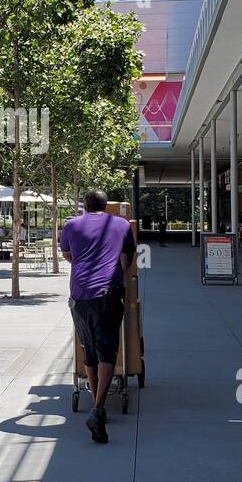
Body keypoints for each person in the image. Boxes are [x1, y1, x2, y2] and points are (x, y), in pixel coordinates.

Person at [60, 189, 136, 444]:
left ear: (84, 205)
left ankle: (96, 404)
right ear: (106, 206)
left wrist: (84, 264)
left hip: (80, 296)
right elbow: (127, 258)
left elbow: (68, 255)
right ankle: (98, 407)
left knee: (88, 349)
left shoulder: (71, 225)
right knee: (108, 350)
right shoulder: (121, 224)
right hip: (109, 295)